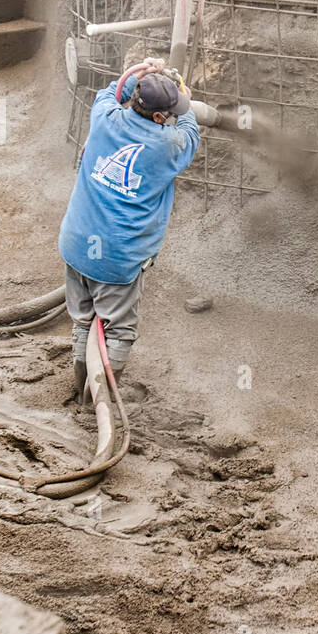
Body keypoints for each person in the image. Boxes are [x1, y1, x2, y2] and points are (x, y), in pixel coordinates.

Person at [57, 57, 200, 396]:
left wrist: (141, 69)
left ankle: (80, 390)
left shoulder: (104, 116)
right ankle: (102, 401)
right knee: (118, 331)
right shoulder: (169, 145)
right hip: (117, 259)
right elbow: (191, 131)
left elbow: (112, 89)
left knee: (84, 321)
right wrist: (185, 95)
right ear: (161, 117)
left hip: (76, 243)